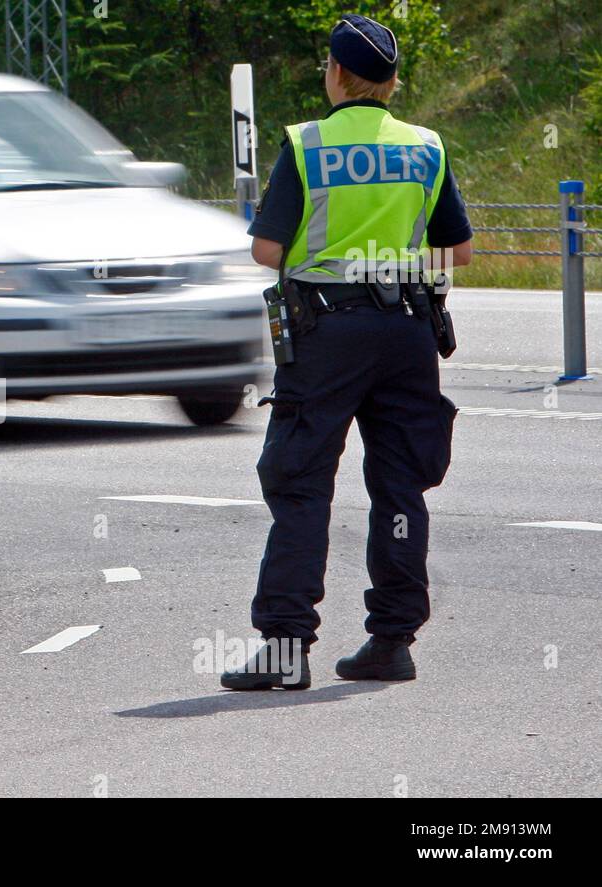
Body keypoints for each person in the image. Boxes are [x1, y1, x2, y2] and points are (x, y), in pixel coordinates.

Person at [221, 14, 473, 690]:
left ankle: (285, 648)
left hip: (327, 336)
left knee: (301, 482)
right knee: (398, 485)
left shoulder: (306, 146)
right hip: (407, 332)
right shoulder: (425, 147)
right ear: (392, 82)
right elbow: (460, 250)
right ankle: (391, 640)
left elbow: (268, 250)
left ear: (335, 74)